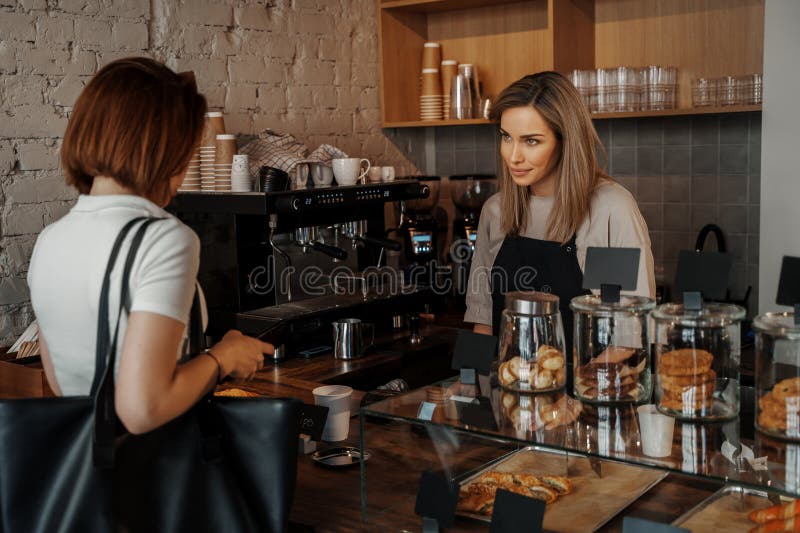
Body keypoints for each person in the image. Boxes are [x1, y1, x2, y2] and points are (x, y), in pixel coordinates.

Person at [27, 58, 271, 434]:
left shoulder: (50, 240)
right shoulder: (165, 239)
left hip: (90, 469)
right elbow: (143, 409)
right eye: (186, 148)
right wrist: (223, 357)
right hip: (154, 477)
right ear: (162, 148)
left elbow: (64, 383)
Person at [465, 71, 655, 343]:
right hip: (507, 382)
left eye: (531, 141)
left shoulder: (608, 210)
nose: (513, 156)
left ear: (565, 141)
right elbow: (482, 318)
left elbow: (626, 336)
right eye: (507, 137)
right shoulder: (497, 211)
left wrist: (577, 384)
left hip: (585, 382)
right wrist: (469, 379)